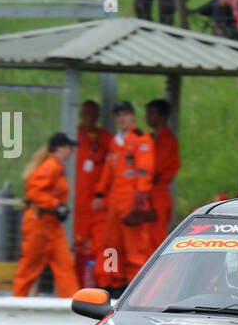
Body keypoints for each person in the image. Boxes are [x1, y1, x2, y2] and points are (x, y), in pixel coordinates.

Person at [93, 102, 156, 292]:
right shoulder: (115, 141)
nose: (122, 118)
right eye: (118, 115)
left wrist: (139, 199)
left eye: (125, 114)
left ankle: (135, 287)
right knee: (111, 246)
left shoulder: (141, 139)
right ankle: (112, 283)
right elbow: (107, 169)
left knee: (135, 248)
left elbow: (145, 170)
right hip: (114, 202)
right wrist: (99, 193)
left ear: (132, 117)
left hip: (131, 200)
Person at [14, 133, 78, 298]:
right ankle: (15, 306)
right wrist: (56, 205)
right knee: (29, 268)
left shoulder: (57, 166)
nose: (71, 151)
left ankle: (72, 307)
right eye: (69, 148)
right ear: (60, 148)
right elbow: (33, 192)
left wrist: (58, 208)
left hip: (52, 224)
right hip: (39, 223)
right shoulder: (51, 166)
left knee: (65, 266)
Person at [74, 100, 110, 283]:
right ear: (80, 114)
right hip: (77, 205)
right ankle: (75, 287)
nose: (90, 117)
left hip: (98, 205)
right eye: (86, 113)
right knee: (75, 248)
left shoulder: (104, 139)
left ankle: (104, 285)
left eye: (93, 113)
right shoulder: (73, 138)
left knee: (103, 248)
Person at [146, 99, 180, 249]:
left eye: (152, 113)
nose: (148, 116)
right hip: (146, 193)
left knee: (157, 237)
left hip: (158, 194)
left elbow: (154, 167)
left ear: (162, 116)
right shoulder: (148, 138)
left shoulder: (167, 140)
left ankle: (158, 270)